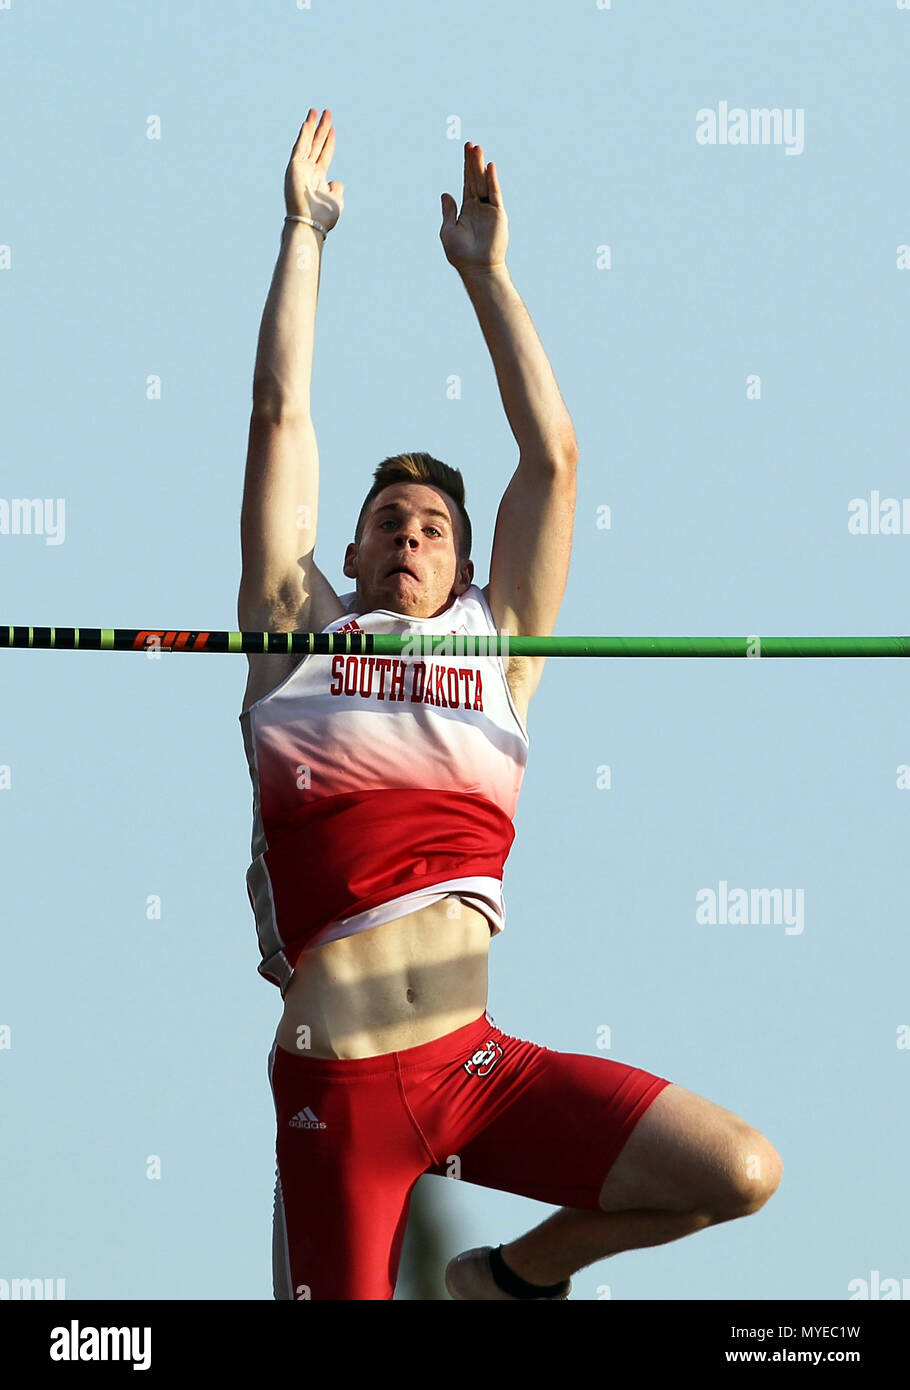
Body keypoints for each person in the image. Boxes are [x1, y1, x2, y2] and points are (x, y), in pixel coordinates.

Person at [237, 111, 783, 1301]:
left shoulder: (500, 648)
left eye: (433, 525)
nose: (407, 533)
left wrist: (487, 277)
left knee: (735, 1169)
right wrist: (304, 232)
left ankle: (512, 1282)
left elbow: (554, 457)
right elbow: (280, 418)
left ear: (466, 565)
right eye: (386, 518)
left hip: (471, 1063)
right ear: (351, 547)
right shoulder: (297, 634)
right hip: (337, 1086)